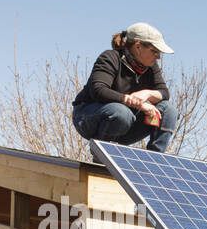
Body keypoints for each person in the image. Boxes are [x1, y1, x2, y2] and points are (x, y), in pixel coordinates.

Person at [72, 23, 180, 153]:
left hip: (126, 123)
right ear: (138, 46)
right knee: (121, 113)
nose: (158, 57)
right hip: (88, 118)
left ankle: (155, 161)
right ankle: (101, 156)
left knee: (169, 110)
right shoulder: (110, 58)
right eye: (154, 51)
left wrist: (146, 94)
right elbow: (98, 90)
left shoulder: (151, 67)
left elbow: (164, 93)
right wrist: (135, 102)